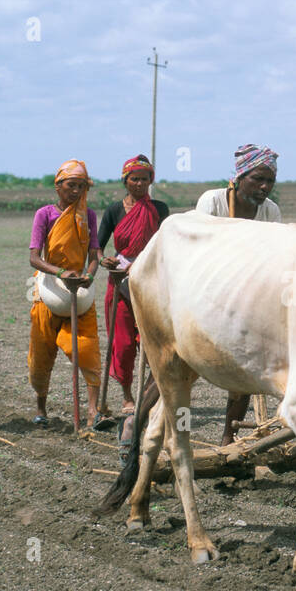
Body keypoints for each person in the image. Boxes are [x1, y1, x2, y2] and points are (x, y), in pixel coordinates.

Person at [195, 144, 281, 443]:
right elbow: (199, 255)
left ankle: (228, 440)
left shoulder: (271, 212)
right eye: (258, 179)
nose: (264, 187)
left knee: (246, 374)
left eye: (269, 181)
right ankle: (145, 429)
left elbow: (273, 262)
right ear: (240, 176)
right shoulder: (213, 202)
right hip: (205, 298)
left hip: (250, 303)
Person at [28, 159, 103, 426]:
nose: (76, 192)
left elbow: (94, 254)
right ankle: (41, 408)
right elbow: (34, 258)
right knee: (41, 353)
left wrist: (89, 275)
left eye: (82, 187)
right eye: (72, 185)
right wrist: (60, 273)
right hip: (49, 289)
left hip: (80, 290)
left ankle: (93, 412)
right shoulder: (45, 214)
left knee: (87, 349)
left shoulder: (89, 215)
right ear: (58, 186)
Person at [97, 154, 168, 421]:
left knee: (152, 344)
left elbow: (163, 243)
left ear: (151, 180)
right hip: (119, 283)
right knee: (124, 344)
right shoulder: (114, 210)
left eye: (144, 179)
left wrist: (141, 266)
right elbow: (97, 246)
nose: (139, 184)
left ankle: (151, 395)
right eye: (134, 179)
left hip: (151, 281)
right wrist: (102, 260)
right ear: (125, 181)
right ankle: (127, 397)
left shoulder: (160, 209)